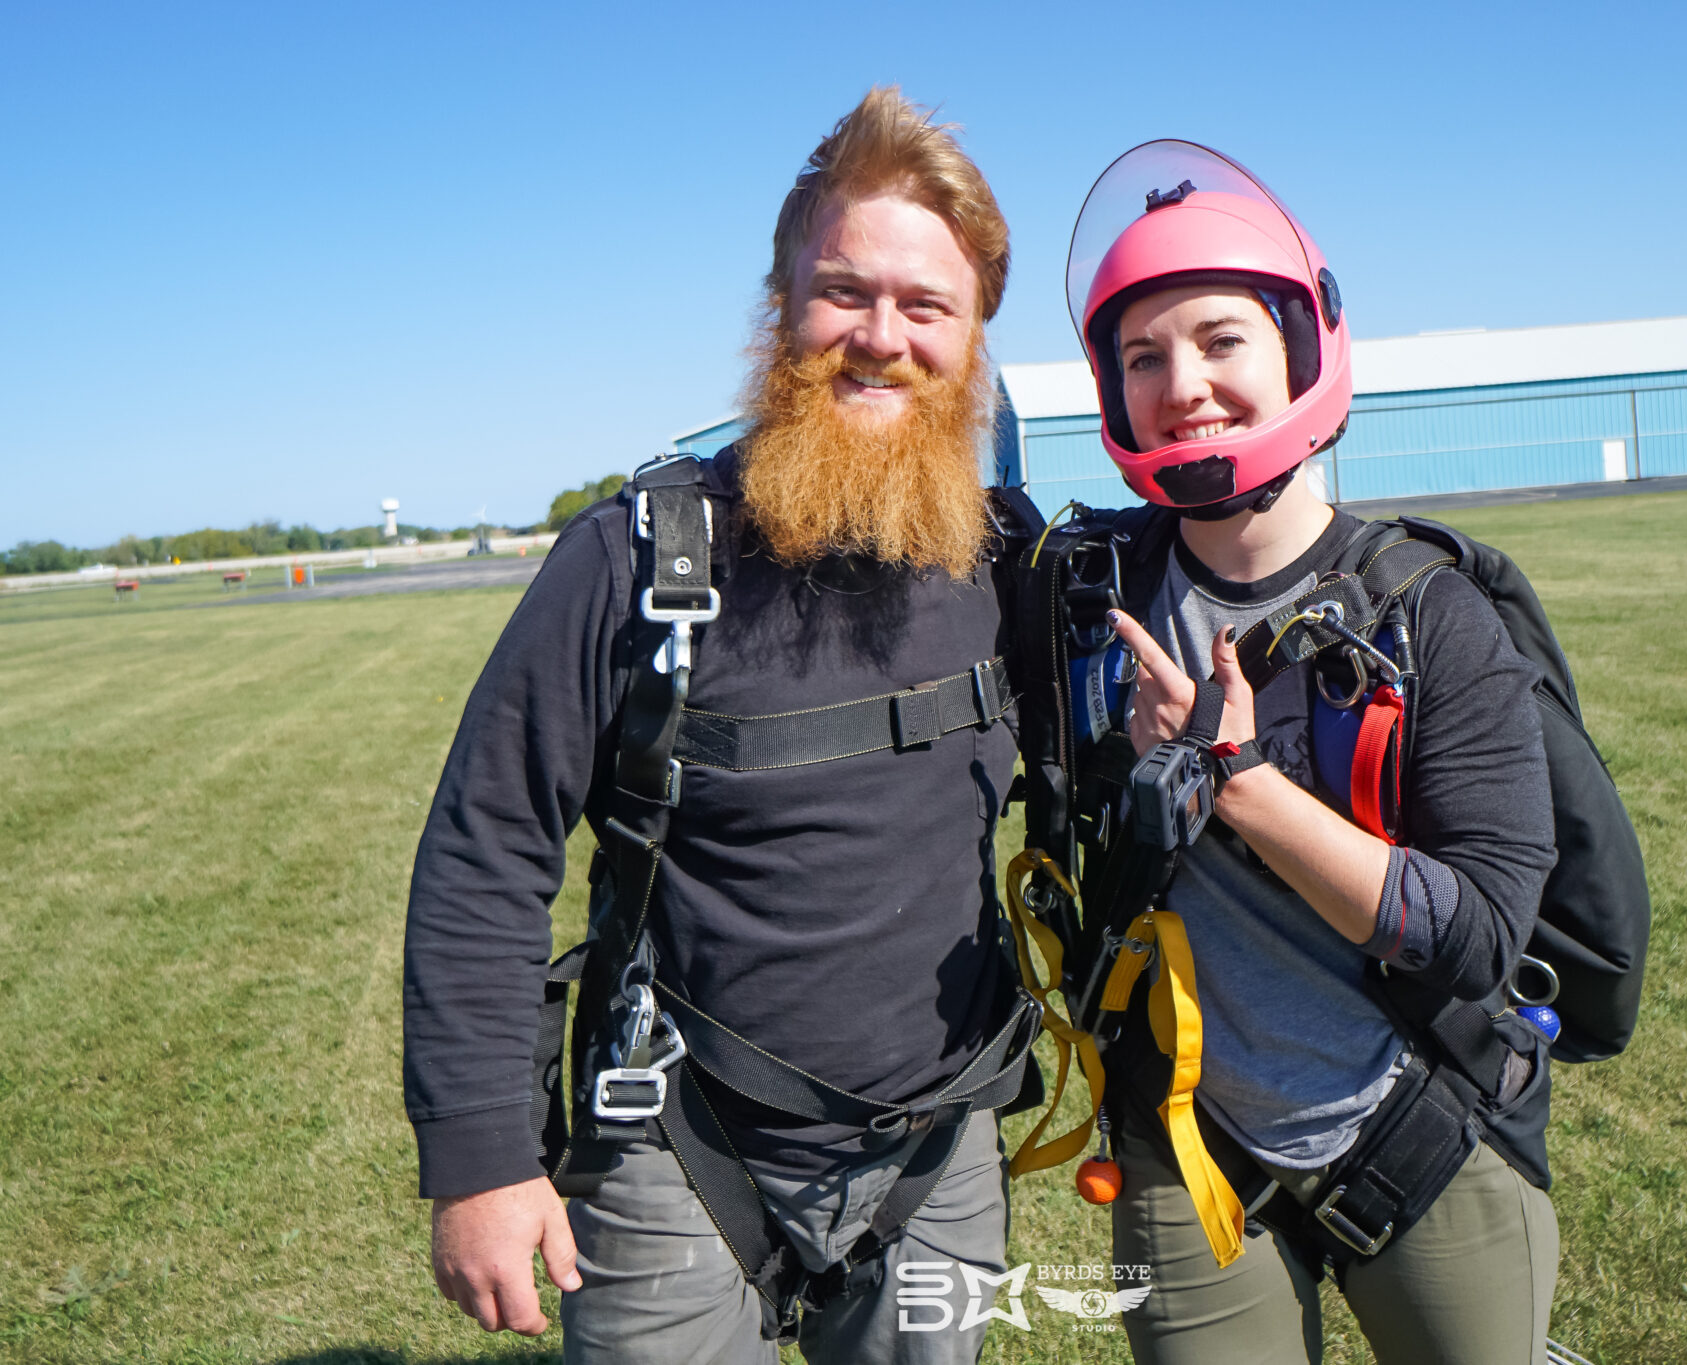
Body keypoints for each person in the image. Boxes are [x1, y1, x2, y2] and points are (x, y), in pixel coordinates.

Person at [402, 87, 1033, 1364]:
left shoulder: (1008, 570)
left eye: (926, 309)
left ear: (972, 341)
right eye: (843, 293)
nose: (881, 338)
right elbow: (486, 850)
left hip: (938, 1159)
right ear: (781, 306)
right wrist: (479, 1159)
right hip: (677, 1150)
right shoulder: (631, 558)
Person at [1052, 142, 1561, 1363]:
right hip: (1184, 1135)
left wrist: (1239, 782)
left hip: (1415, 1122)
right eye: (1143, 355)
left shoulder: (1430, 613)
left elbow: (1480, 932)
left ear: (1296, 341)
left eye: (1220, 338)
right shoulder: (1079, 597)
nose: (1183, 383)